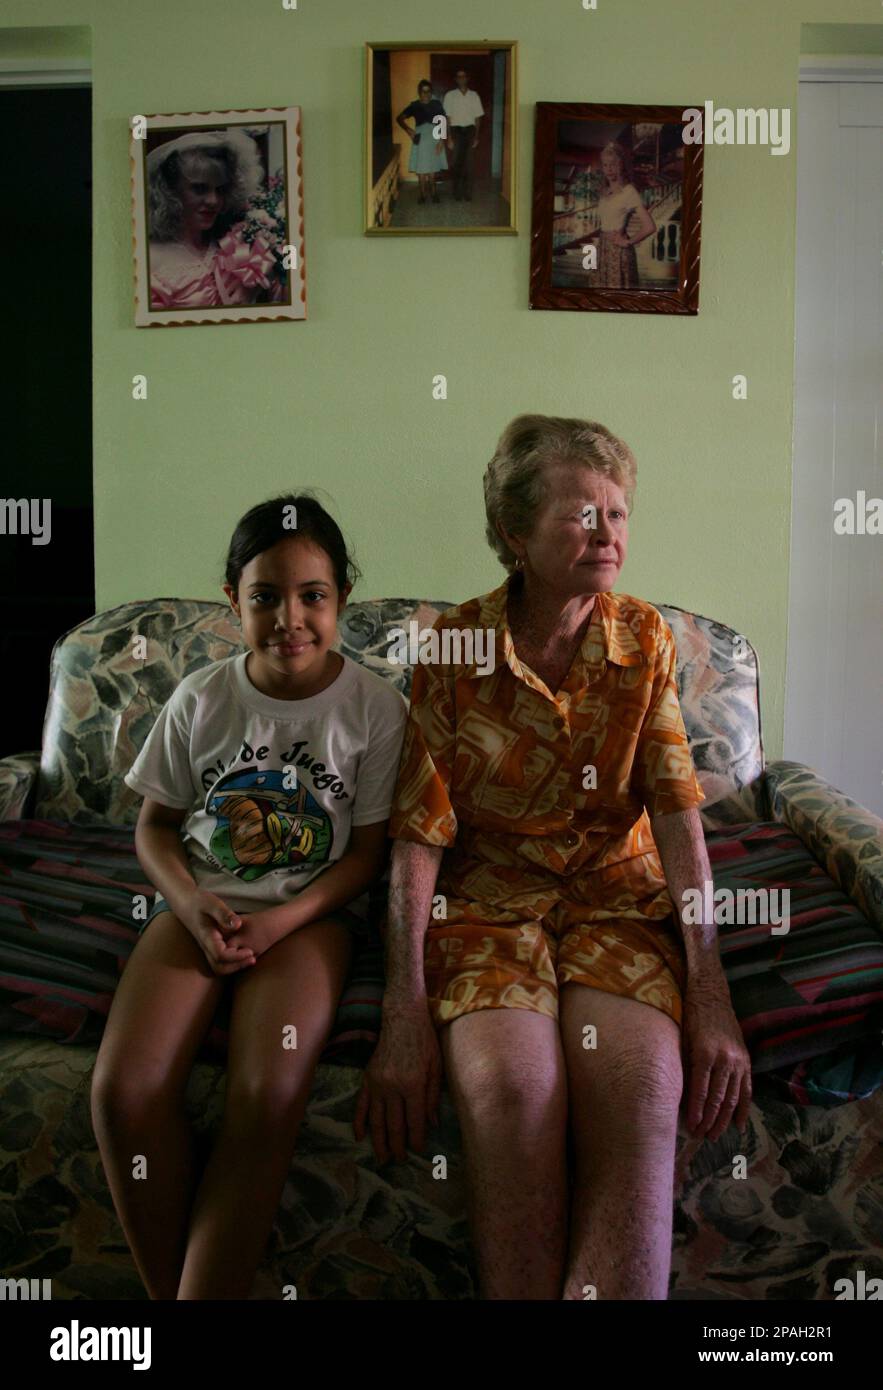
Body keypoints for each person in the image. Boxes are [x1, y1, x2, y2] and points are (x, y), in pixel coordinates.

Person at [356, 414, 752, 1300]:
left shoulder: (642, 639)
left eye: (617, 513)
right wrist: (404, 1009)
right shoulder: (452, 651)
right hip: (490, 909)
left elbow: (678, 816)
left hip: (617, 902)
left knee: (645, 1091)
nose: (606, 534)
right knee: (512, 1094)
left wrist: (709, 990)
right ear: (512, 534)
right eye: (580, 516)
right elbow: (418, 834)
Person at [91, 493, 408, 1299]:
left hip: (311, 918)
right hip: (200, 903)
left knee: (266, 1093)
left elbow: (367, 856)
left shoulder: (375, 709)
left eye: (313, 596)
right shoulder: (201, 695)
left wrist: (280, 923)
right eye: (265, 596)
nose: (289, 618)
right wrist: (190, 904)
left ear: (342, 601)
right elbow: (156, 828)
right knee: (123, 1091)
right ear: (233, 598)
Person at [146, 129, 271, 309]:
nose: (213, 201)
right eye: (199, 189)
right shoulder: (151, 258)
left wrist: (252, 288)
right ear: (171, 191)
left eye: (220, 190)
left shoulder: (232, 244)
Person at [590, 142, 657, 288]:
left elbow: (649, 226)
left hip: (618, 252)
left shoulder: (629, 191)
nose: (609, 169)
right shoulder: (605, 192)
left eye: (613, 164)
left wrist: (628, 242)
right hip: (602, 248)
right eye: (605, 165)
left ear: (621, 165)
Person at [396, 80, 448, 205]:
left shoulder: (436, 104)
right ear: (419, 92)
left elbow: (443, 122)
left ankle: (434, 193)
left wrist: (442, 141)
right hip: (420, 138)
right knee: (421, 168)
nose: (426, 94)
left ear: (431, 92)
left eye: (428, 91)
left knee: (432, 168)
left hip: (435, 136)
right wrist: (408, 130)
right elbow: (399, 118)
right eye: (423, 91)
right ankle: (422, 194)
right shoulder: (414, 105)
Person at [443, 69, 484, 201]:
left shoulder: (474, 96)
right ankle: (457, 193)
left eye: (464, 76)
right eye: (459, 76)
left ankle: (468, 193)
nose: (461, 79)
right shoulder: (450, 95)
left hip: (470, 131)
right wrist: (449, 138)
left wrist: (476, 137)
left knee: (469, 164)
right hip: (456, 131)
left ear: (467, 78)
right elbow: (447, 117)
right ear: (456, 79)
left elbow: (478, 118)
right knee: (456, 163)